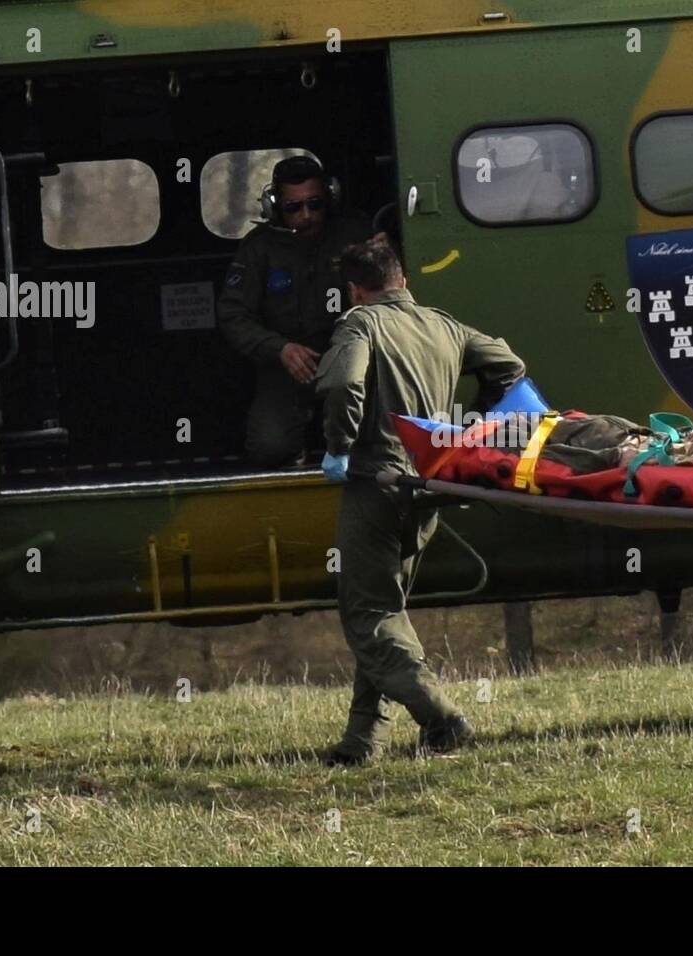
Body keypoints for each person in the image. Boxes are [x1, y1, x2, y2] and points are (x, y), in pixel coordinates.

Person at [314, 239, 526, 765]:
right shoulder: (445, 325)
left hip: (377, 479)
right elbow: (510, 366)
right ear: (403, 281)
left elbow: (342, 382)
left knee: (368, 613)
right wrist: (472, 423)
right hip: (429, 484)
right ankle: (363, 741)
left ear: (355, 291)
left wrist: (339, 446)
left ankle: (441, 715)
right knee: (387, 608)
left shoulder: (360, 325)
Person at [216, 156, 370, 467]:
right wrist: (279, 349)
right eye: (293, 208)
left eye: (315, 204)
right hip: (286, 366)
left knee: (378, 441)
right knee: (270, 447)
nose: (307, 215)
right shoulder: (259, 248)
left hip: (350, 359)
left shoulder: (355, 235)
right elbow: (233, 314)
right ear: (275, 207)